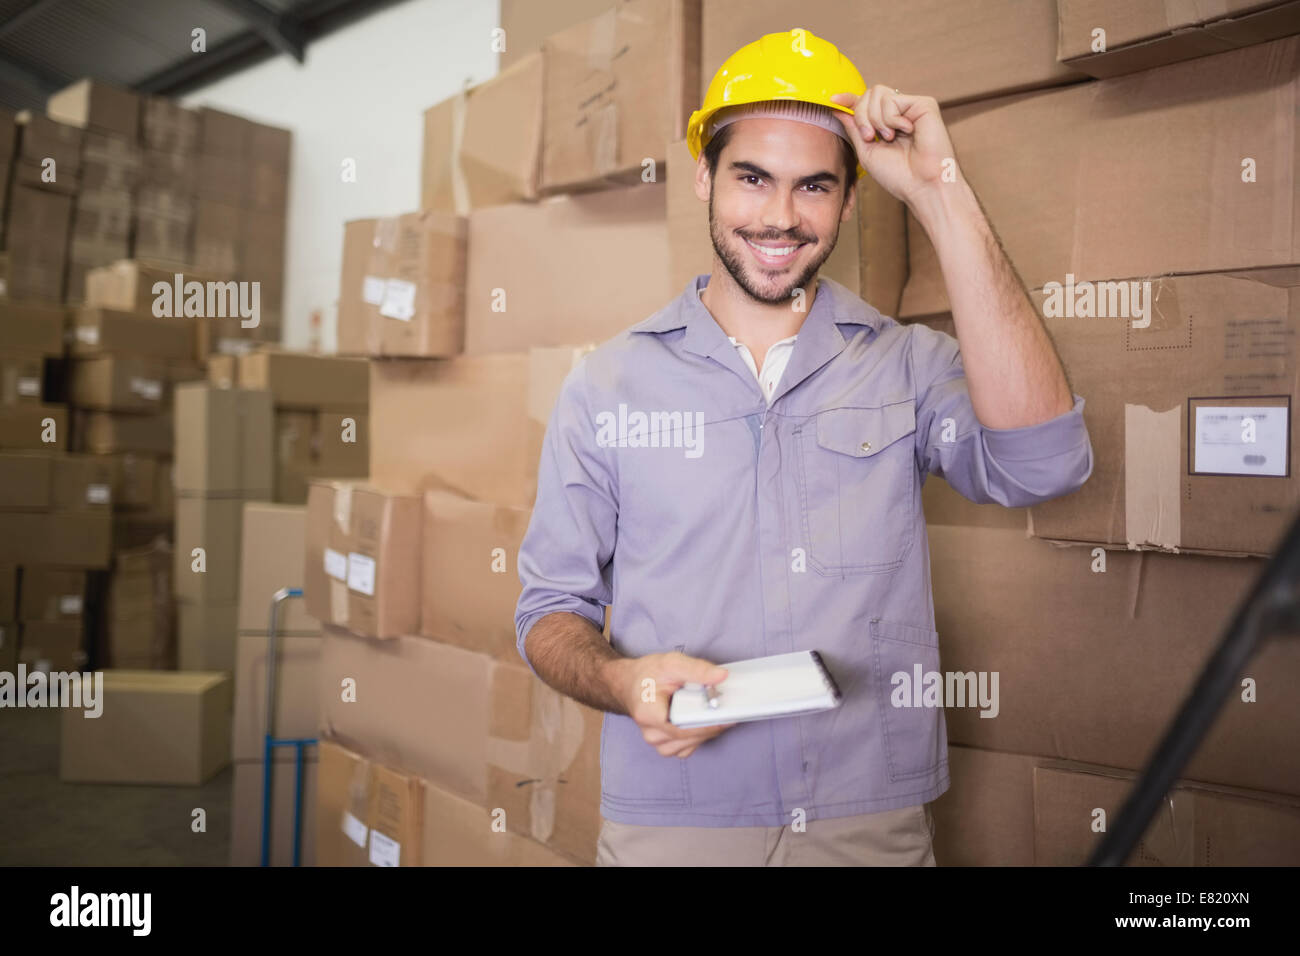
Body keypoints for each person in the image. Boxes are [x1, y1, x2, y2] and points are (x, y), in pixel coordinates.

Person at [514, 27, 1094, 866]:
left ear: (849, 200)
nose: (782, 217)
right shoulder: (607, 387)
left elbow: (1044, 465)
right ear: (706, 177)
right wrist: (619, 681)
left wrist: (939, 192)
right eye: (752, 178)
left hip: (866, 820)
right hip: (678, 825)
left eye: (814, 187)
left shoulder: (904, 362)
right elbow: (547, 613)